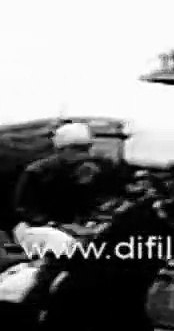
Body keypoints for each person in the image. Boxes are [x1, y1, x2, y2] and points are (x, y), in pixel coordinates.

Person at [11, 121, 124, 318]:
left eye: (86, 148)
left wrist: (94, 220)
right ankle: (37, 299)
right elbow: (23, 207)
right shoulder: (36, 171)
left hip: (75, 228)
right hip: (34, 228)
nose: (83, 154)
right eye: (77, 149)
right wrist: (55, 224)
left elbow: (95, 204)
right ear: (61, 150)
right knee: (63, 243)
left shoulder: (91, 172)